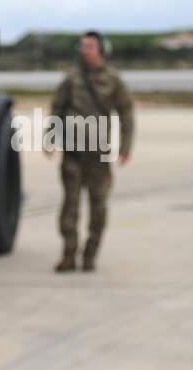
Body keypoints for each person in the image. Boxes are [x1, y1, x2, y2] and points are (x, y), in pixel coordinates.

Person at [47, 31, 133, 272]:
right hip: (73, 152)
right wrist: (50, 137)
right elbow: (57, 108)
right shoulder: (71, 78)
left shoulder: (112, 79)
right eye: (82, 46)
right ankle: (68, 253)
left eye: (90, 46)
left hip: (99, 154)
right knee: (70, 206)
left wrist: (125, 147)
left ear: (101, 49)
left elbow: (126, 113)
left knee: (98, 207)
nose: (85, 50)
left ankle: (90, 254)